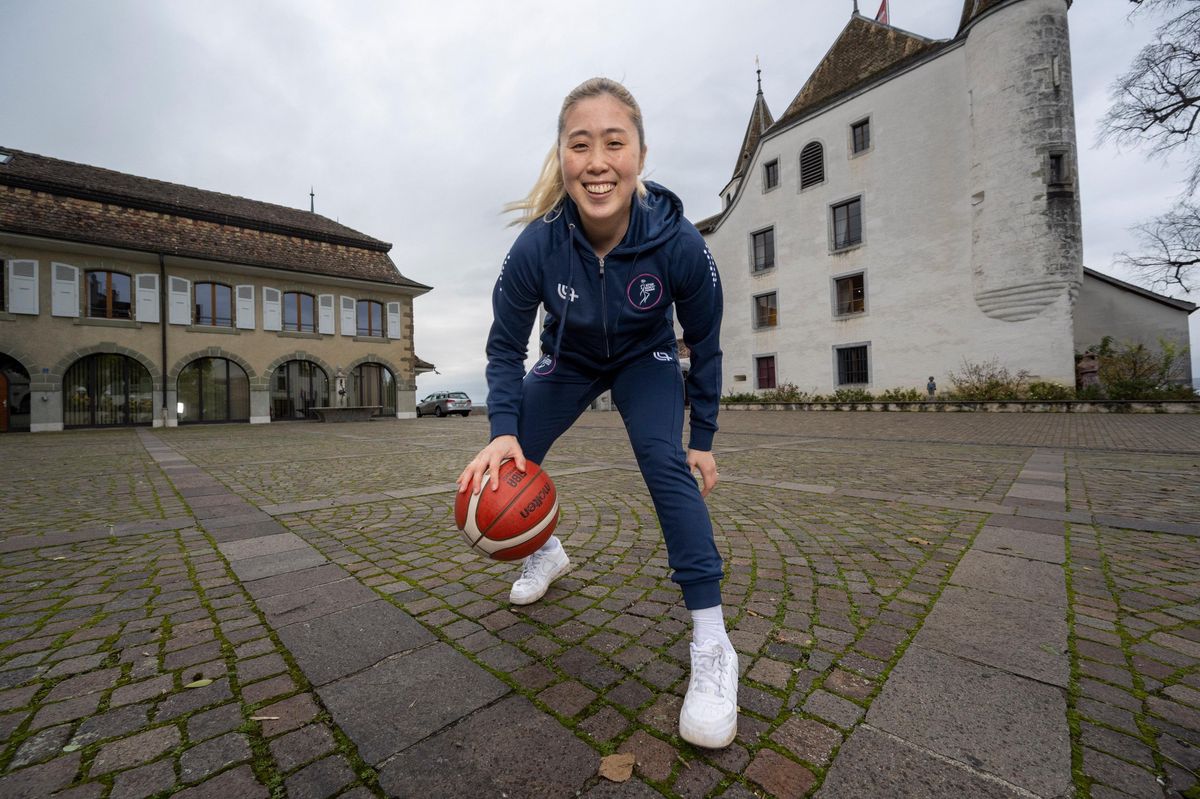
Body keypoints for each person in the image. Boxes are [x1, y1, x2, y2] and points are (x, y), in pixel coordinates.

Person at [456, 77, 736, 749]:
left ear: (641, 152)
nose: (598, 160)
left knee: (667, 466)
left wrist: (702, 439)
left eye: (615, 142)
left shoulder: (680, 246)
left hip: (646, 358)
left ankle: (713, 643)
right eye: (581, 144)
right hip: (569, 359)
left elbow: (705, 343)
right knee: (508, 461)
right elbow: (503, 346)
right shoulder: (537, 248)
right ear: (562, 156)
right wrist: (501, 432)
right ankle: (544, 550)